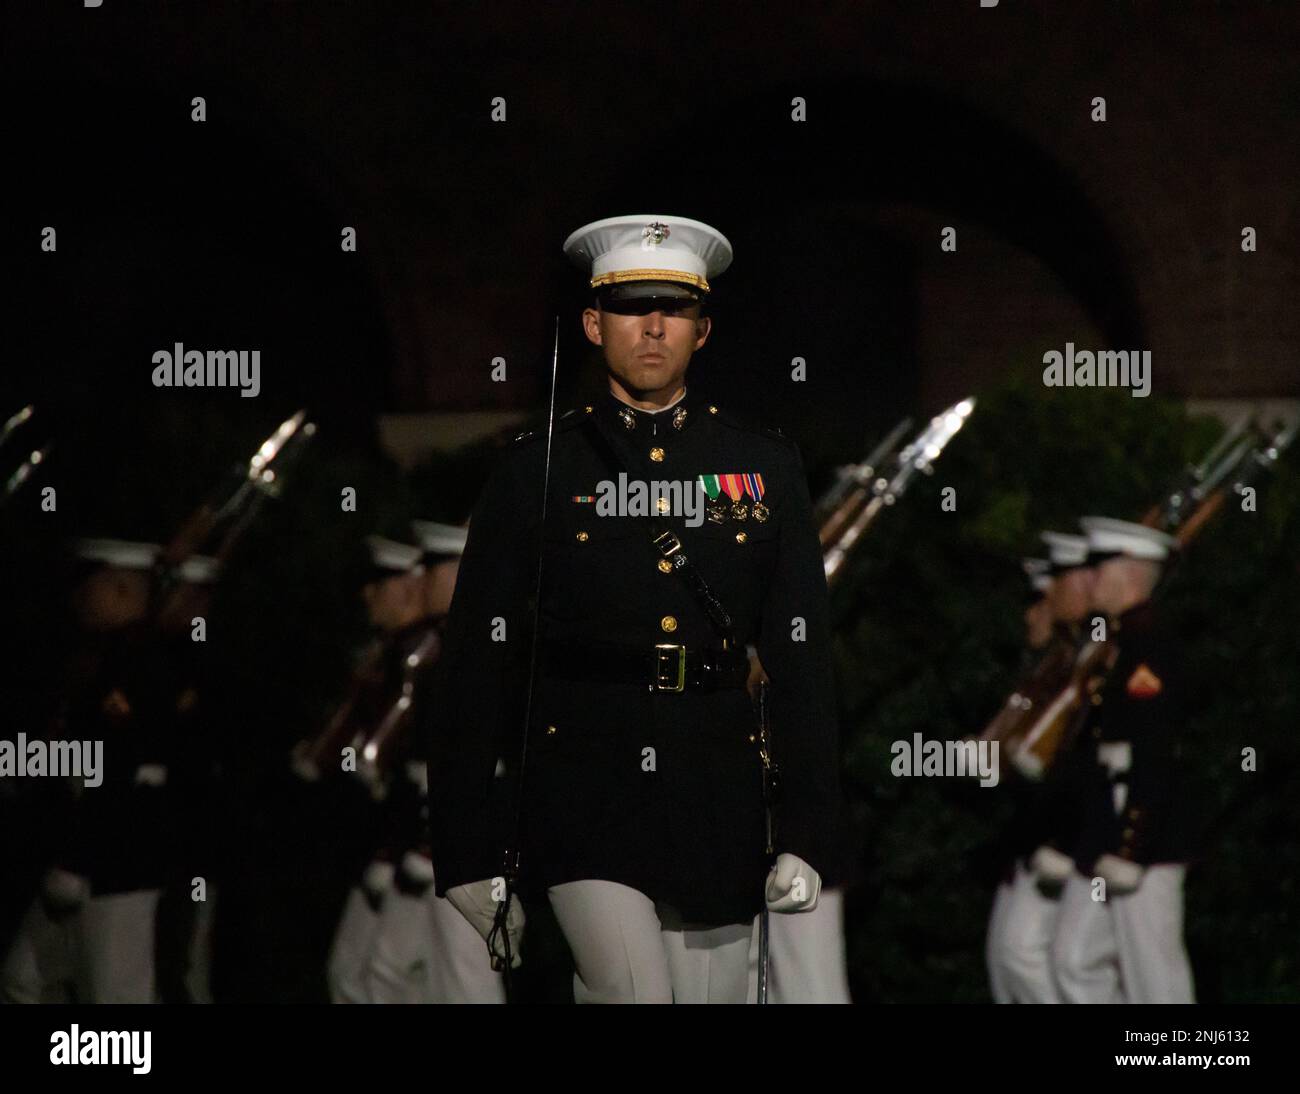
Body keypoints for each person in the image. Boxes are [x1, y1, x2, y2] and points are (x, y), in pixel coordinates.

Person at [425, 215, 842, 1003]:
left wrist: (808, 828)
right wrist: (467, 846)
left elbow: (801, 659)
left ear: (703, 327)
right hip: (583, 784)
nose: (653, 326)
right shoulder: (535, 469)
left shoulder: (764, 466)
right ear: (592, 323)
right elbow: (478, 661)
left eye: (675, 308)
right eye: (631, 306)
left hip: (716, 790)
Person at [1051, 516, 1195, 1004]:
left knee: (1155, 979)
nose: (1090, 579)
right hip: (1106, 831)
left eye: (1100, 567)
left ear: (1130, 572)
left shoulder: (1150, 649)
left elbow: (1154, 750)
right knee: (1074, 959)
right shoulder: (1116, 647)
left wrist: (1134, 844)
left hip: (1144, 838)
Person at [985, 533, 1094, 1003]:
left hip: (1076, 838)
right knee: (1015, 956)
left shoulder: (1086, 664)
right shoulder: (1054, 668)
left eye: (1040, 599)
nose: (1032, 614)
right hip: (1043, 835)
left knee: (1042, 958)